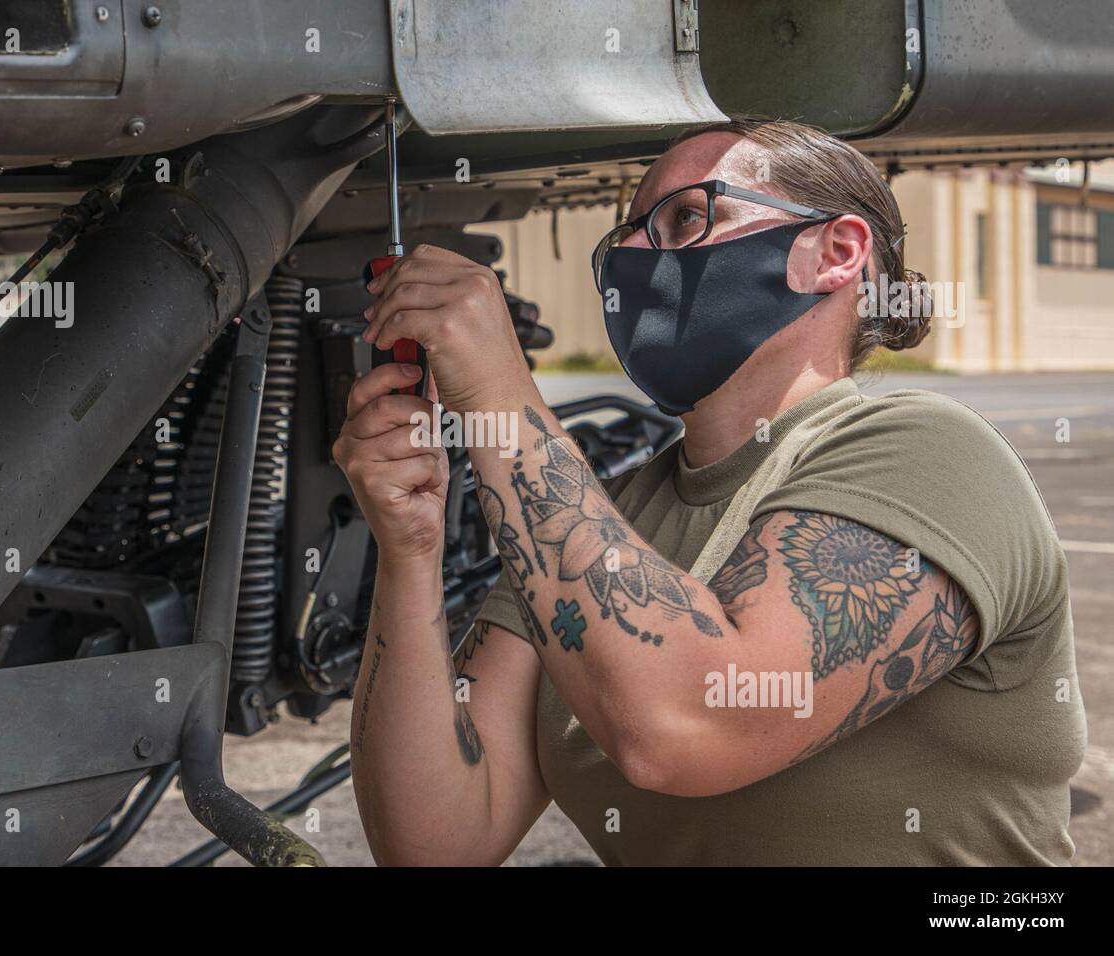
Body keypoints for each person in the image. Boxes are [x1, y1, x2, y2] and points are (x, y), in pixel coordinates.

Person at [332, 118, 1086, 866]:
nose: (630, 253)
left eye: (686, 217)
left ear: (836, 253)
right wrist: (410, 549)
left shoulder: (932, 454)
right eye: (623, 234)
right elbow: (436, 842)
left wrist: (498, 392)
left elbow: (687, 727)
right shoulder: (603, 515)